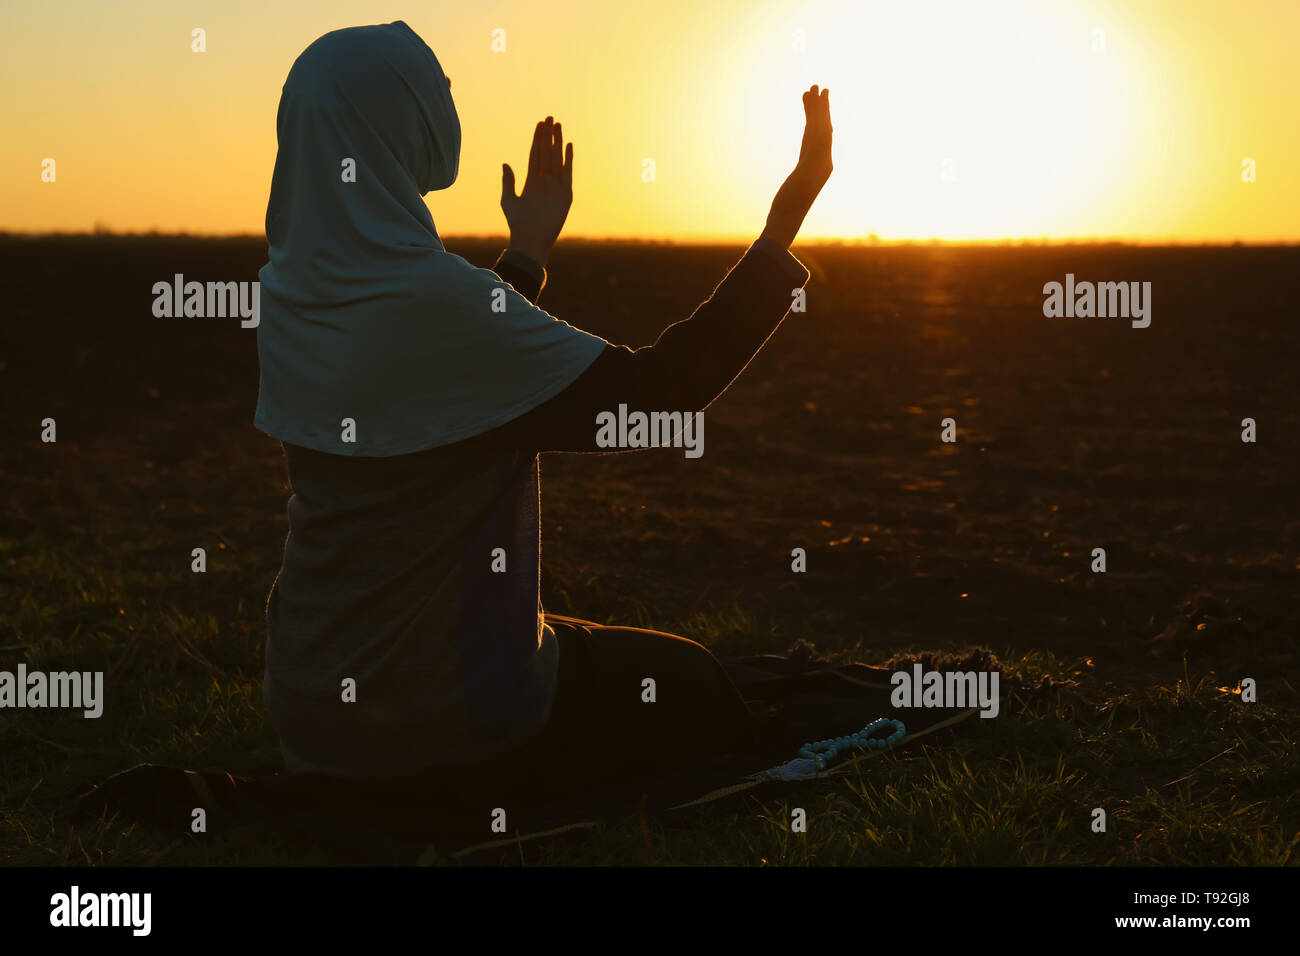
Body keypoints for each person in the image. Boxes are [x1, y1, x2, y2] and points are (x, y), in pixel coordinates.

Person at [254, 21, 833, 793]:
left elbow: (440, 380)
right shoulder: (442, 304)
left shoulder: (292, 294)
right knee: (691, 678)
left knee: (589, 641)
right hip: (439, 720)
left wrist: (524, 257)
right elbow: (665, 395)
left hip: (314, 714)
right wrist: (780, 229)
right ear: (399, 119)